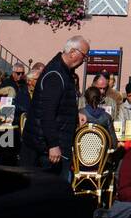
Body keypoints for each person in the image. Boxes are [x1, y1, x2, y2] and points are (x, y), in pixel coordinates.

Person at [20, 35, 88, 175]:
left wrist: (75, 115)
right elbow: (47, 112)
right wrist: (53, 144)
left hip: (50, 143)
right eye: (84, 56)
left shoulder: (64, 72)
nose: (84, 60)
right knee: (51, 191)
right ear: (73, 52)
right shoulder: (55, 74)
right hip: (46, 148)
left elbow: (60, 105)